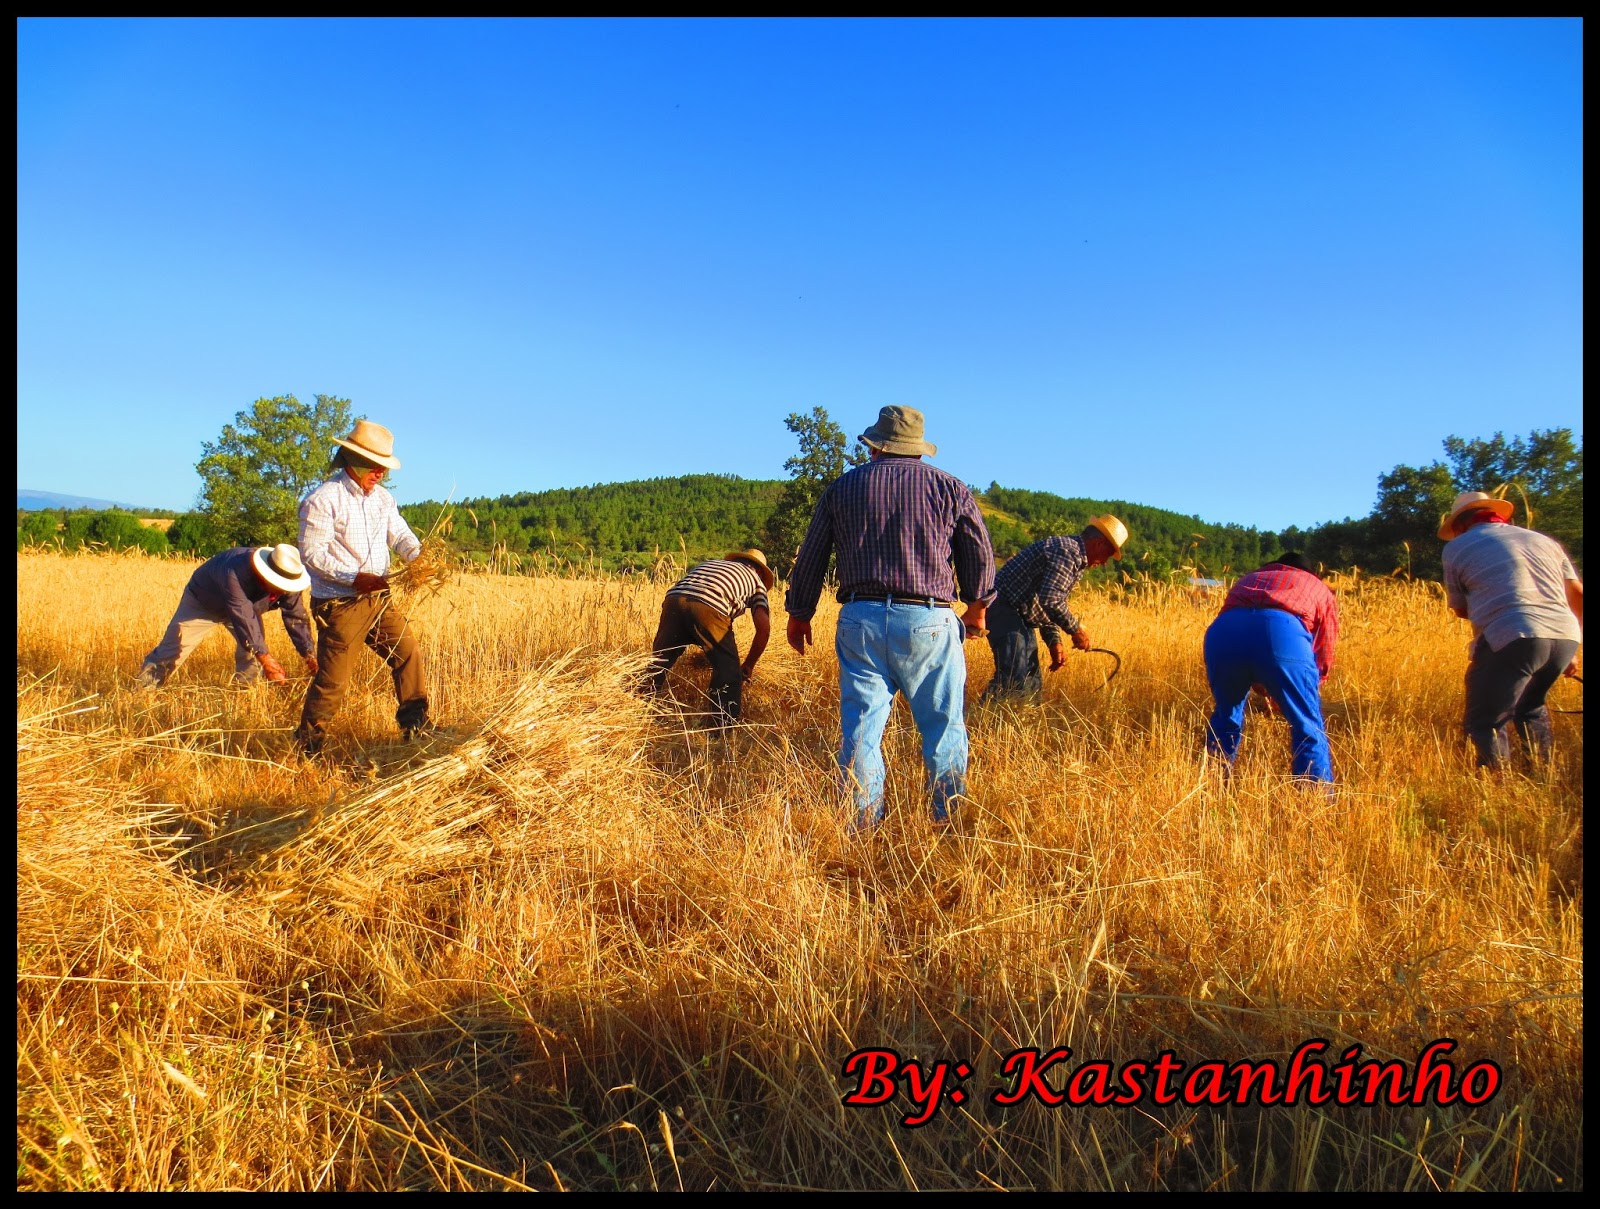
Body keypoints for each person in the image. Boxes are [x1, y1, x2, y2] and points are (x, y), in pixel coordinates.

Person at [785, 406, 995, 828]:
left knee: (861, 731)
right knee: (942, 727)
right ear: (919, 450)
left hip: (860, 617)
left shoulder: (842, 488)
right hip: (928, 619)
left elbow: (811, 556)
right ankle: (947, 821)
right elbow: (978, 550)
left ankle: (863, 826)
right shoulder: (950, 487)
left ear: (875, 446)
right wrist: (976, 607)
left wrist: (800, 613)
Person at [292, 420, 429, 755]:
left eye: (384, 465)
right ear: (351, 459)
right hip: (341, 604)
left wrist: (420, 558)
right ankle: (307, 747)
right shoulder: (323, 500)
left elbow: (399, 533)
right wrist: (355, 577)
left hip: (379, 599)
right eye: (374, 464)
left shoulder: (383, 500)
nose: (381, 471)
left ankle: (416, 729)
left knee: (407, 653)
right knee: (333, 682)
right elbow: (312, 554)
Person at [1439, 491, 1583, 770]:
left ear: (1460, 524)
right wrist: (1573, 648)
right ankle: (1543, 776)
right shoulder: (1545, 541)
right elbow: (1576, 594)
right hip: (1565, 634)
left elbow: (1459, 608)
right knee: (1530, 707)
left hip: (1512, 633)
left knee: (1486, 720)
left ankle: (1493, 789)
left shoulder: (1457, 547)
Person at [1202, 551, 1339, 783]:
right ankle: (1315, 800)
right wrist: (1306, 688)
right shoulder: (1317, 587)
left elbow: (1243, 636)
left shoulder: (1249, 578)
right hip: (1281, 634)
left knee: (1226, 714)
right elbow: (1324, 647)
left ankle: (1212, 784)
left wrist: (1259, 677)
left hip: (1224, 633)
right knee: (1306, 723)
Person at [982, 517, 1128, 700]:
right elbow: (1051, 600)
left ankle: (1021, 723)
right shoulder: (1068, 552)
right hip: (1003, 607)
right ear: (1099, 543)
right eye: (1109, 553)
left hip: (1017, 614)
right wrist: (1076, 631)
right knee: (1013, 677)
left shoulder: (1074, 557)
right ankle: (979, 721)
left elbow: (1046, 602)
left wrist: (1054, 642)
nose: (1105, 562)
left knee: (1032, 683)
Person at [136, 544, 317, 688]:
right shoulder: (235, 571)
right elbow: (242, 614)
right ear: (265, 574)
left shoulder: (289, 579)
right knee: (175, 647)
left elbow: (296, 618)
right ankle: (145, 689)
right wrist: (266, 659)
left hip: (246, 608)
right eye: (278, 585)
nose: (282, 590)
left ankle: (247, 691)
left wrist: (310, 655)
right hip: (204, 602)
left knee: (252, 654)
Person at [643, 548, 774, 727]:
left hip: (673, 600)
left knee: (658, 662)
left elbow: (690, 593)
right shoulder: (756, 580)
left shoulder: (709, 563)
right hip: (709, 607)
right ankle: (722, 729)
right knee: (729, 672)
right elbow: (763, 628)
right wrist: (748, 665)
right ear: (759, 570)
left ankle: (636, 706)